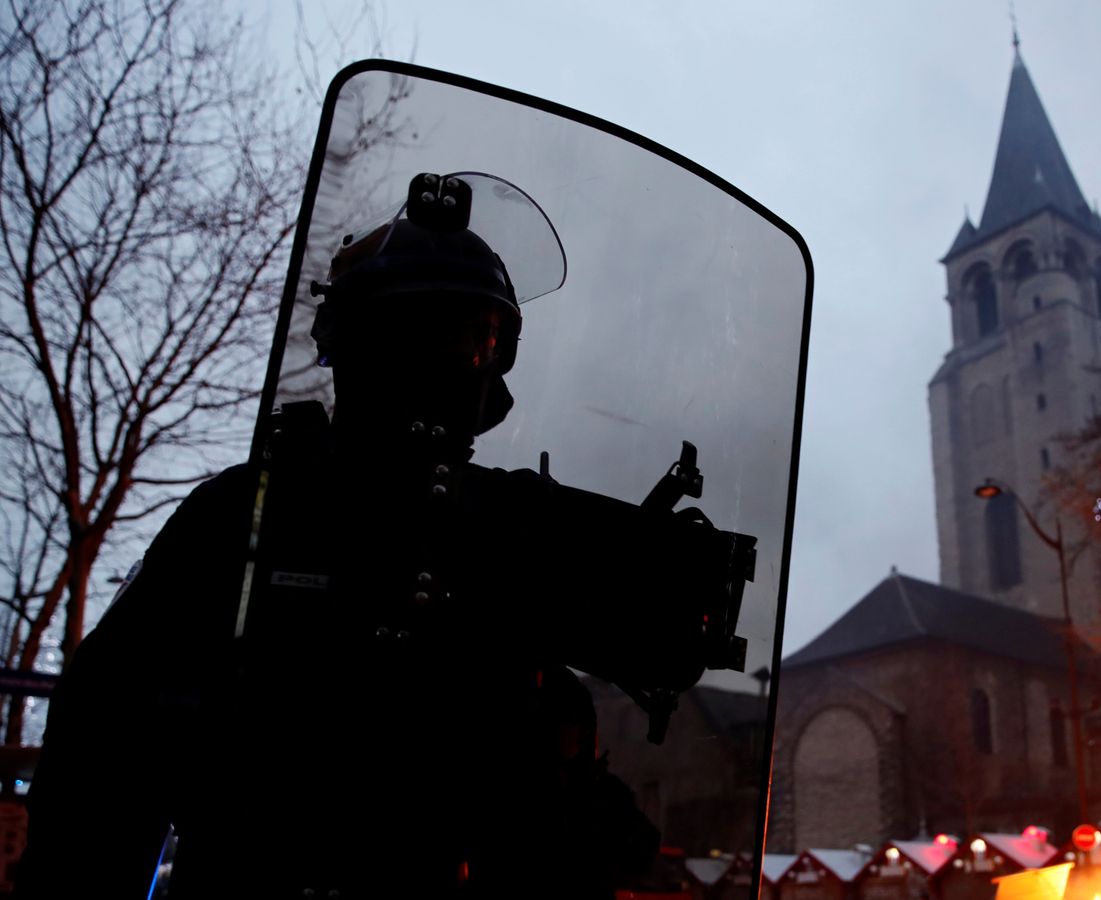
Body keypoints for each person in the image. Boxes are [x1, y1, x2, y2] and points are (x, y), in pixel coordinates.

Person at [16, 173, 668, 899]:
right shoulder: (246, 519)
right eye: (415, 332)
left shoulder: (508, 543)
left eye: (472, 339)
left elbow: (606, 849)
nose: (445, 362)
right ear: (358, 347)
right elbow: (96, 769)